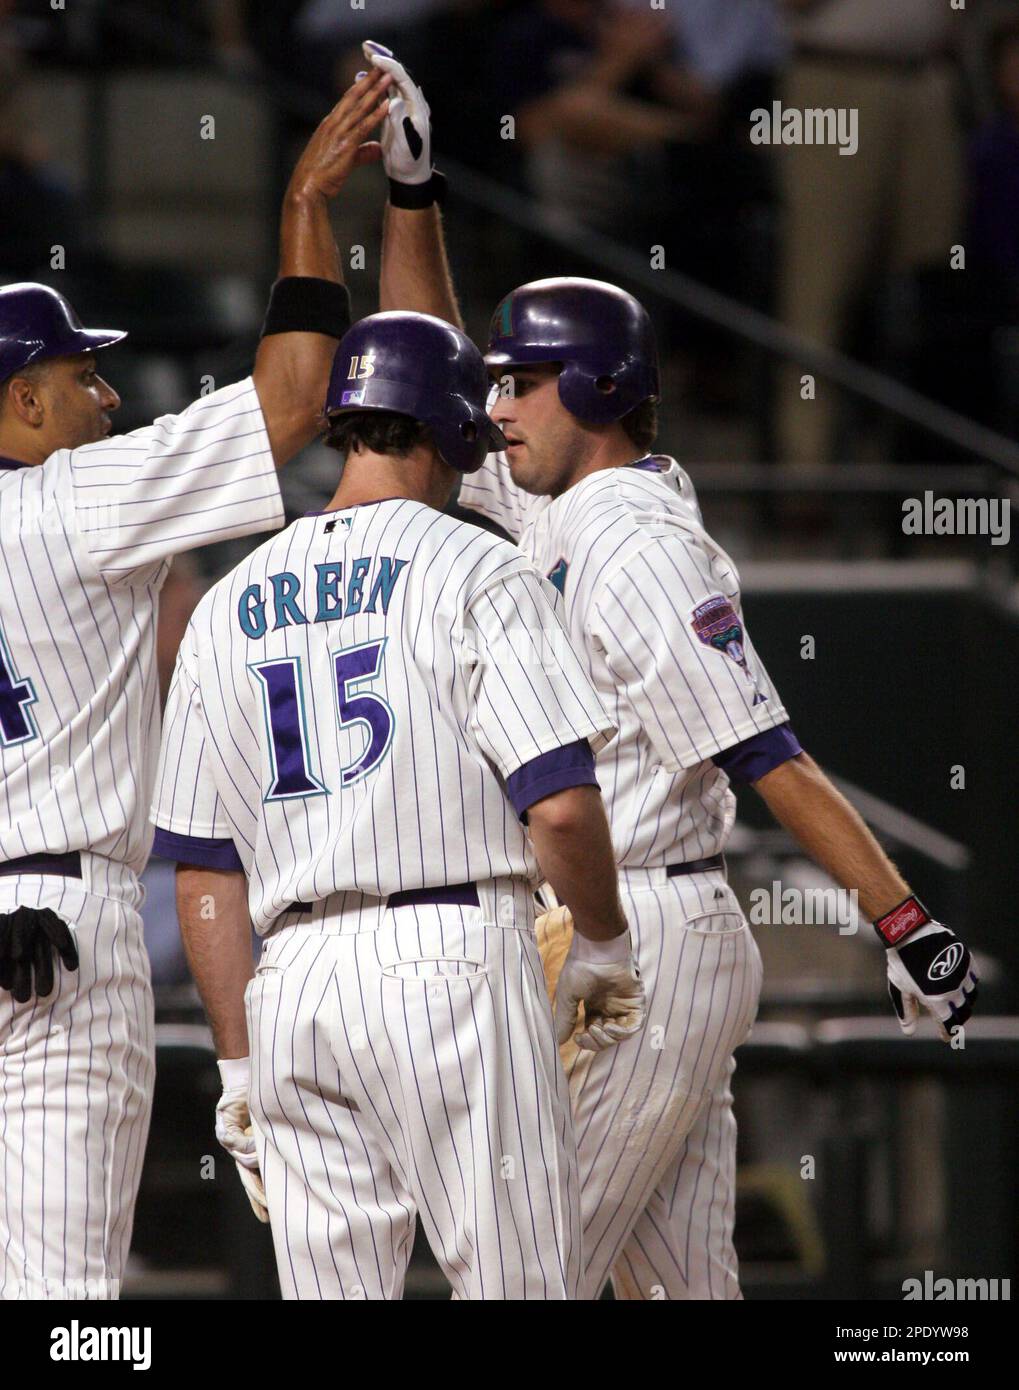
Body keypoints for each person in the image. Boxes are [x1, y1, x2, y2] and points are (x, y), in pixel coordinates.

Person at [448, 275, 979, 1299]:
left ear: (602, 387)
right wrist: (412, 192)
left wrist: (901, 920)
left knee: (521, 1273)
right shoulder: (572, 499)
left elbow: (766, 752)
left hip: (641, 933)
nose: (495, 405)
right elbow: (429, 342)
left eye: (523, 380)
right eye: (495, 380)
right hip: (628, 922)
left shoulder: (639, 543)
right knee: (683, 1287)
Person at [149, 310, 645, 1299]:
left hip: (289, 986)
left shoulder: (221, 604)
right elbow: (556, 806)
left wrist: (238, 1063)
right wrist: (600, 940)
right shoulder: (480, 567)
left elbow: (202, 869)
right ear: (456, 430)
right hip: (449, 962)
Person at [0, 66, 393, 1301]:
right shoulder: (74, 499)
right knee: (64, 1305)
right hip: (61, 934)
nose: (109, 397)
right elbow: (294, 393)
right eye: (82, 378)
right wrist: (302, 207)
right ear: (18, 401)